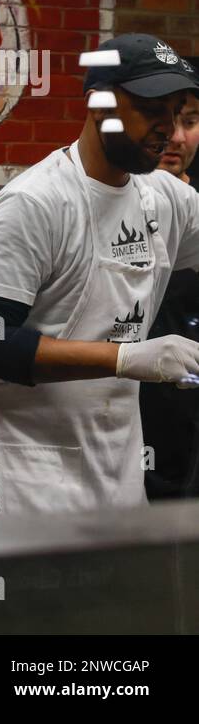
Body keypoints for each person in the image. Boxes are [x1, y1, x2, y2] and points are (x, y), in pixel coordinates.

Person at [0, 34, 199, 516]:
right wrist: (127, 358)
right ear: (99, 104)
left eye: (176, 112)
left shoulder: (164, 198)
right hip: (22, 473)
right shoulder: (34, 205)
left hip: (115, 469)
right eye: (152, 110)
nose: (168, 131)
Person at [141, 85, 199, 498]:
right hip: (131, 406)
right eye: (163, 120)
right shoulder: (110, 210)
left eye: (190, 121)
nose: (175, 136)